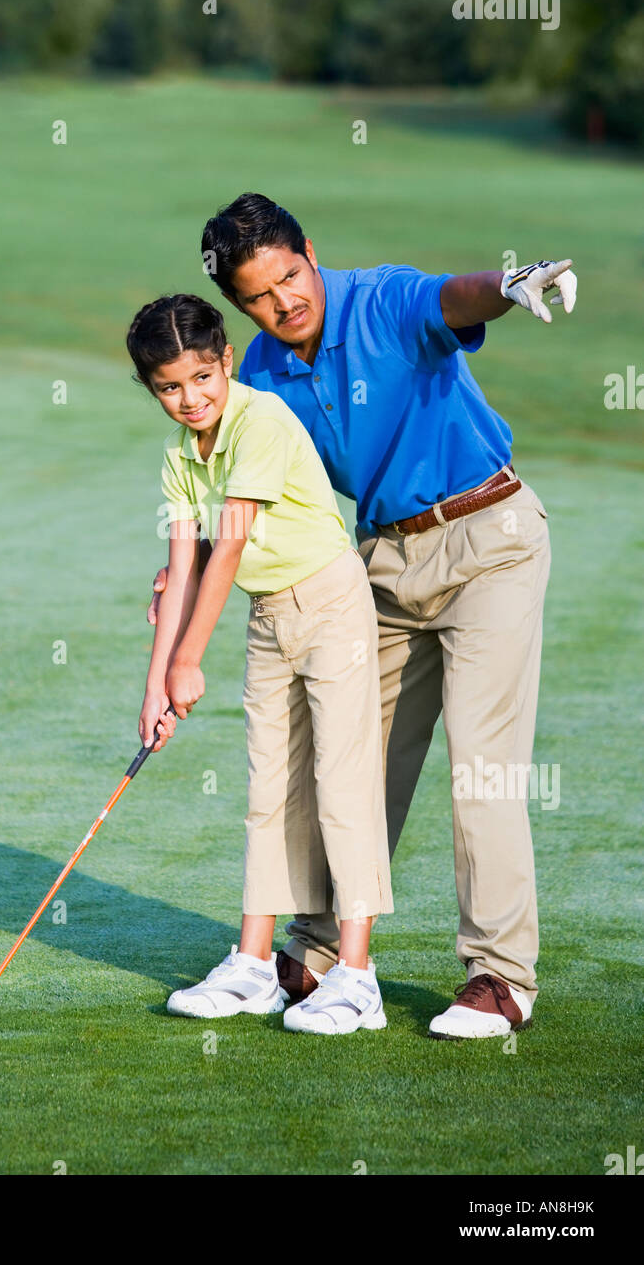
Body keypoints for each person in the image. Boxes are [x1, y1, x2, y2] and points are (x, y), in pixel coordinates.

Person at [149, 193, 577, 1040]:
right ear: (239, 309)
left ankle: (499, 977)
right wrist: (179, 573)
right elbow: (229, 492)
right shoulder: (260, 375)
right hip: (377, 562)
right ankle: (311, 952)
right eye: (261, 296)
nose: (286, 302)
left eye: (291, 277)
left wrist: (511, 281)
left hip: (489, 537)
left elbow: (453, 297)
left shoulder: (380, 297)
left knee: (481, 770)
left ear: (310, 252)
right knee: (344, 762)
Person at [127, 292, 393, 1034]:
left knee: (341, 784)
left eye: (202, 378)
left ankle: (357, 977)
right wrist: (155, 689)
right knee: (267, 788)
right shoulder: (181, 458)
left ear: (227, 362)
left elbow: (230, 545)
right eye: (170, 387)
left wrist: (189, 660)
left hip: (332, 602)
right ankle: (253, 967)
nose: (190, 398)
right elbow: (182, 569)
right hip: (270, 615)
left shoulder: (262, 422)